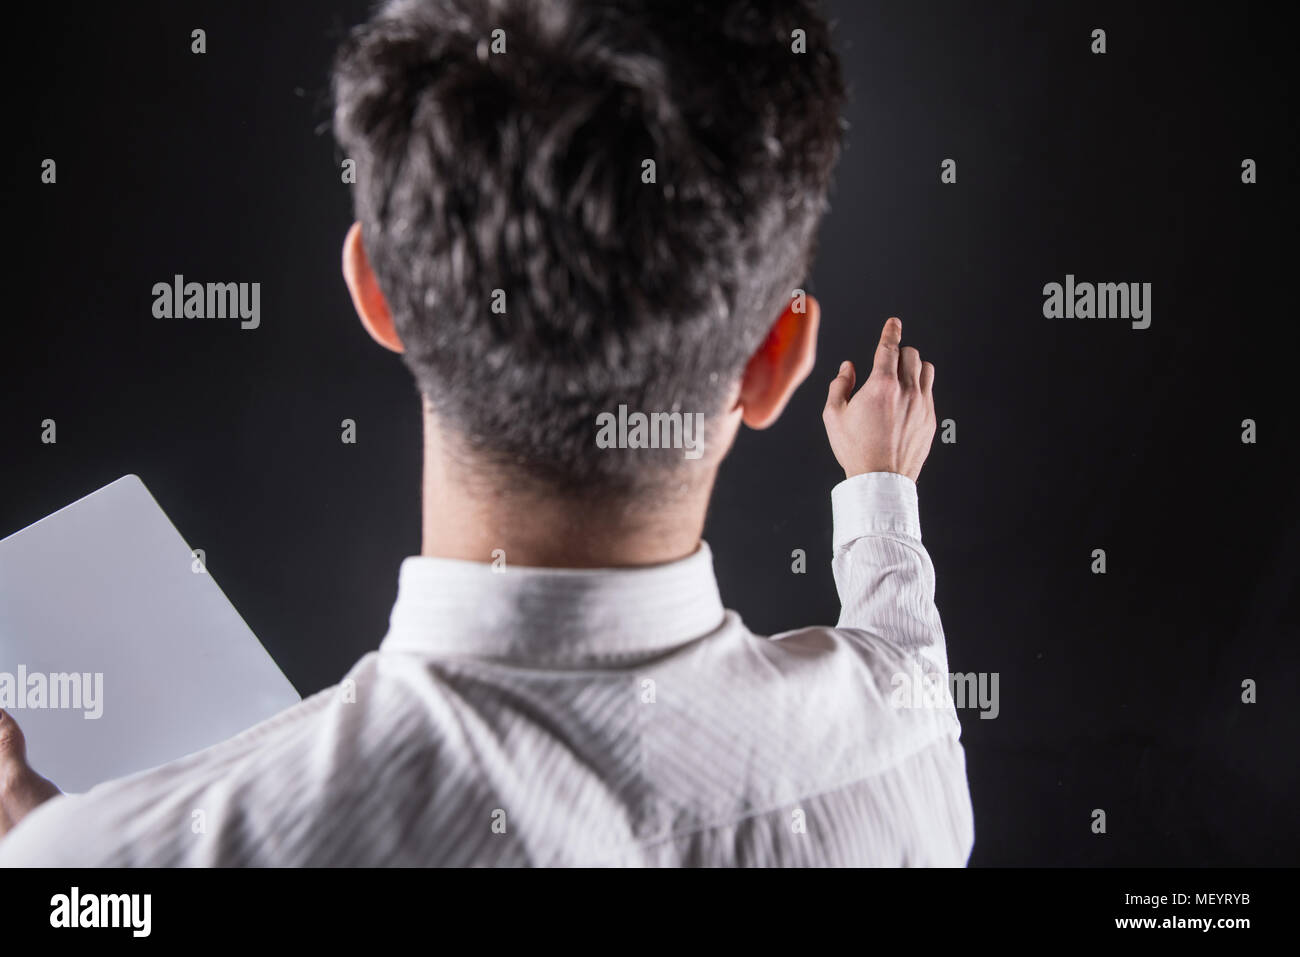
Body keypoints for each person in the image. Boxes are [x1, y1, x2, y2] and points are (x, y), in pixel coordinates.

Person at [0, 0, 972, 866]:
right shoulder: (909, 754)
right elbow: (898, 639)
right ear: (777, 364)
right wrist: (881, 481)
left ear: (378, 296)